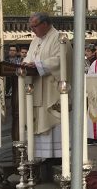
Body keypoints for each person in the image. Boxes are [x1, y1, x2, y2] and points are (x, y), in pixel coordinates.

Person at [21, 12, 67, 161]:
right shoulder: (36, 40)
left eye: (34, 26)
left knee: (52, 122)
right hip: (36, 87)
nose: (32, 30)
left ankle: (56, 158)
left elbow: (61, 60)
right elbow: (29, 57)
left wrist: (38, 65)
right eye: (31, 27)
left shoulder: (59, 37)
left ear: (45, 24)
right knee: (38, 120)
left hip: (51, 90)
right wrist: (26, 64)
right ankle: (41, 157)